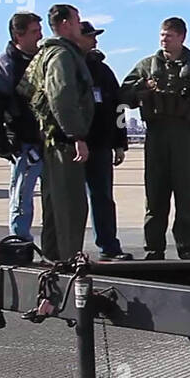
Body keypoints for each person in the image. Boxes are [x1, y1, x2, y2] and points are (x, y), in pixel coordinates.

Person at [119, 17, 190, 260]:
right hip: (156, 133)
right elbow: (123, 96)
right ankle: (153, 247)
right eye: (162, 35)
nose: (164, 40)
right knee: (155, 193)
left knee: (187, 192)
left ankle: (188, 247)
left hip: (184, 133)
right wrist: (143, 88)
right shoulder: (147, 66)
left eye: (169, 35)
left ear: (182, 37)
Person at [20, 4, 94, 262]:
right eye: (76, 20)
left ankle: (53, 260)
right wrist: (76, 136)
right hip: (63, 143)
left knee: (55, 208)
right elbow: (62, 97)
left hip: (53, 140)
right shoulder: (62, 55)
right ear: (64, 24)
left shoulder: (46, 54)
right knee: (71, 207)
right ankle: (67, 262)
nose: (79, 25)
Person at [0, 11, 44, 243]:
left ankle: (53, 245)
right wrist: (2, 146)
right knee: (21, 197)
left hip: (47, 141)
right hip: (23, 143)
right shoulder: (2, 65)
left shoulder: (43, 61)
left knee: (54, 197)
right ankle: (20, 242)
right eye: (34, 32)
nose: (40, 36)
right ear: (19, 35)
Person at [78, 20, 131, 260]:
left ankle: (109, 246)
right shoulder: (67, 66)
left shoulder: (103, 71)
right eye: (90, 36)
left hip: (100, 146)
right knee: (73, 201)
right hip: (73, 146)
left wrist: (120, 143)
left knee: (103, 199)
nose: (95, 40)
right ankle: (70, 250)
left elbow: (119, 108)